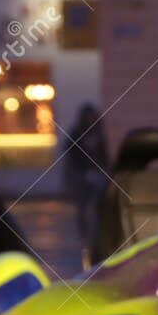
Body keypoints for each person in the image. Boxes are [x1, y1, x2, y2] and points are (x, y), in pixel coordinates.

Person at [63, 104, 109, 248]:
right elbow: (71, 153)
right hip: (81, 175)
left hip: (95, 174)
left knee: (97, 204)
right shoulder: (76, 133)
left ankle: (95, 233)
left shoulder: (98, 133)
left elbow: (103, 153)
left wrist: (104, 168)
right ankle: (84, 233)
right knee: (82, 206)